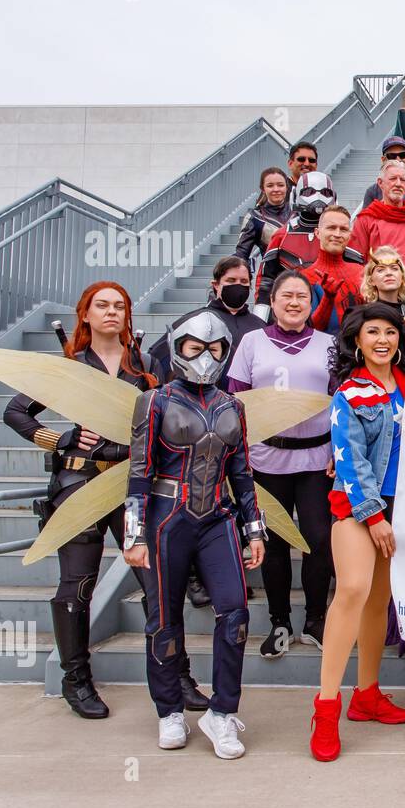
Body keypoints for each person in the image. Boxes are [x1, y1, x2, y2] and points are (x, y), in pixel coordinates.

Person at [4, 281, 207, 718]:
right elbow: (15, 411)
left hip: (133, 486)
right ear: (86, 314)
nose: (112, 312)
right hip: (79, 484)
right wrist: (59, 439)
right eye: (102, 305)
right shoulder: (69, 366)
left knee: (160, 586)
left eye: (120, 305)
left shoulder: (148, 365)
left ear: (128, 315)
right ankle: (75, 681)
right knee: (76, 588)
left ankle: (178, 675)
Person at [124, 311, 266, 759]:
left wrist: (255, 529)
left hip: (218, 517)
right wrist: (134, 534)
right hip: (166, 517)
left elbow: (242, 473)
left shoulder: (232, 406)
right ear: (178, 348)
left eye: (215, 349)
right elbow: (139, 473)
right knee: (163, 619)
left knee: (236, 614)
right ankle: (169, 710)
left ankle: (222, 712)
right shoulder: (155, 401)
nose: (205, 357)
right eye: (195, 348)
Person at [309, 303, 405, 762]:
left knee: (380, 600)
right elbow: (349, 459)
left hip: (404, 507)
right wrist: (374, 516)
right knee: (353, 590)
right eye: (372, 333)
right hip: (359, 507)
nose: (382, 340)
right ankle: (326, 708)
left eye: (390, 332)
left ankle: (367, 695)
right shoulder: (350, 392)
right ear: (356, 342)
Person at [227, 270, 336, 659]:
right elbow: (235, 401)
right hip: (265, 459)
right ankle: (280, 621)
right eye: (286, 295)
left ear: (312, 303)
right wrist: (238, 456)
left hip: (316, 459)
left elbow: (341, 403)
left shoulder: (328, 344)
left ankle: (315, 619)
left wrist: (339, 454)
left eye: (302, 297)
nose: (294, 302)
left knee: (318, 540)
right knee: (271, 543)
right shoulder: (252, 342)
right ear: (272, 302)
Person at [148, 256, 265, 386]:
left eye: (243, 281)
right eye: (231, 280)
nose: (238, 285)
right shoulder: (194, 321)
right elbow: (157, 359)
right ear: (216, 285)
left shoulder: (261, 327)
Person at [257, 171, 344, 309]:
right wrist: (261, 314)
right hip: (291, 307)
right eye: (309, 191)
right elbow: (266, 280)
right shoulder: (282, 235)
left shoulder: (342, 235)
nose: (318, 197)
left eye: (325, 192)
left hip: (334, 307)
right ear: (295, 195)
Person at [349, 161, 405, 289]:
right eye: (392, 179)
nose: (398, 184)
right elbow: (355, 267)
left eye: (402, 180)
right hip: (379, 298)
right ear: (380, 183)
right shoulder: (365, 220)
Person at [304, 206, 365, 335]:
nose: (337, 234)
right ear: (317, 233)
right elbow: (310, 329)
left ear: (350, 235)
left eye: (343, 229)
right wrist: (328, 298)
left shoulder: (362, 273)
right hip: (324, 351)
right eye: (331, 228)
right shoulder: (305, 277)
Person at [234, 166, 293, 270]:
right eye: (270, 186)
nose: (276, 189)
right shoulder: (255, 217)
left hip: (303, 279)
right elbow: (241, 254)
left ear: (287, 187)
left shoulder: (299, 212)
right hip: (273, 280)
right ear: (263, 188)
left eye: (280, 185)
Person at [360, 245, 405, 328]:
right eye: (381, 270)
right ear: (371, 280)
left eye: (394, 268)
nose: (389, 273)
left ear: (402, 277)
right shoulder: (362, 316)